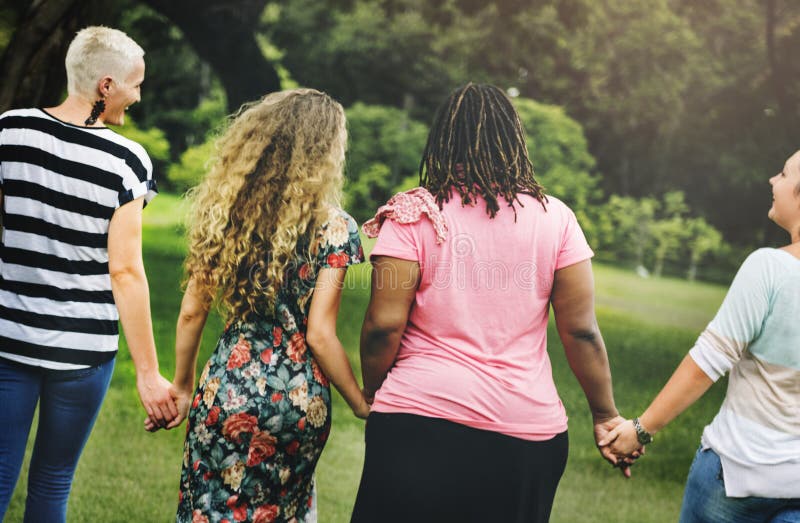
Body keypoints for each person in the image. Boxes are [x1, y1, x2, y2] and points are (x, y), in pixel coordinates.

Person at [350, 83, 628, 523]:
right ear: (513, 137)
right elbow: (580, 331)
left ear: (443, 139)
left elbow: (383, 325)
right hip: (524, 436)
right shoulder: (557, 219)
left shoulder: (412, 213)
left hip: (416, 421)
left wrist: (371, 389)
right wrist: (605, 414)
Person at [150, 88, 369, 523]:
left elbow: (193, 311)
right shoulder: (337, 227)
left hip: (228, 388)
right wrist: (361, 403)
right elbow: (320, 335)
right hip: (298, 402)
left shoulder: (226, 213)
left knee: (208, 509)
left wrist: (182, 383)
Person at [0, 26, 176, 522]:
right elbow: (125, 272)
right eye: (134, 84)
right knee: (53, 483)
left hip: (8, 340)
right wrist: (148, 375)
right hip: (83, 354)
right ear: (106, 86)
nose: (137, 95)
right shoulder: (126, 160)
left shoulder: (10, 132)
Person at [599, 151, 800, 522]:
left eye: (784, 174)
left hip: (736, 476)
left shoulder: (770, 268)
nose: (774, 181)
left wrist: (639, 431)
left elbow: (709, 359)